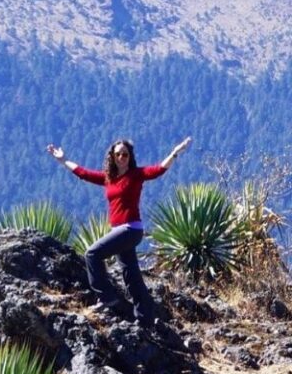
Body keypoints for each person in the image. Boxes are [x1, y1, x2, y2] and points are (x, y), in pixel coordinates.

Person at [46, 136, 192, 326]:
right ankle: (145, 318)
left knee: (92, 254)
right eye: (118, 154)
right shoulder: (109, 178)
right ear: (112, 157)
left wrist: (175, 153)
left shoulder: (136, 175)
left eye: (125, 154)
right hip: (121, 231)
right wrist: (63, 160)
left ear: (130, 156)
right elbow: (83, 173)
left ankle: (105, 298)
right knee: (131, 275)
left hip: (130, 229)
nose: (122, 157)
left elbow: (158, 170)